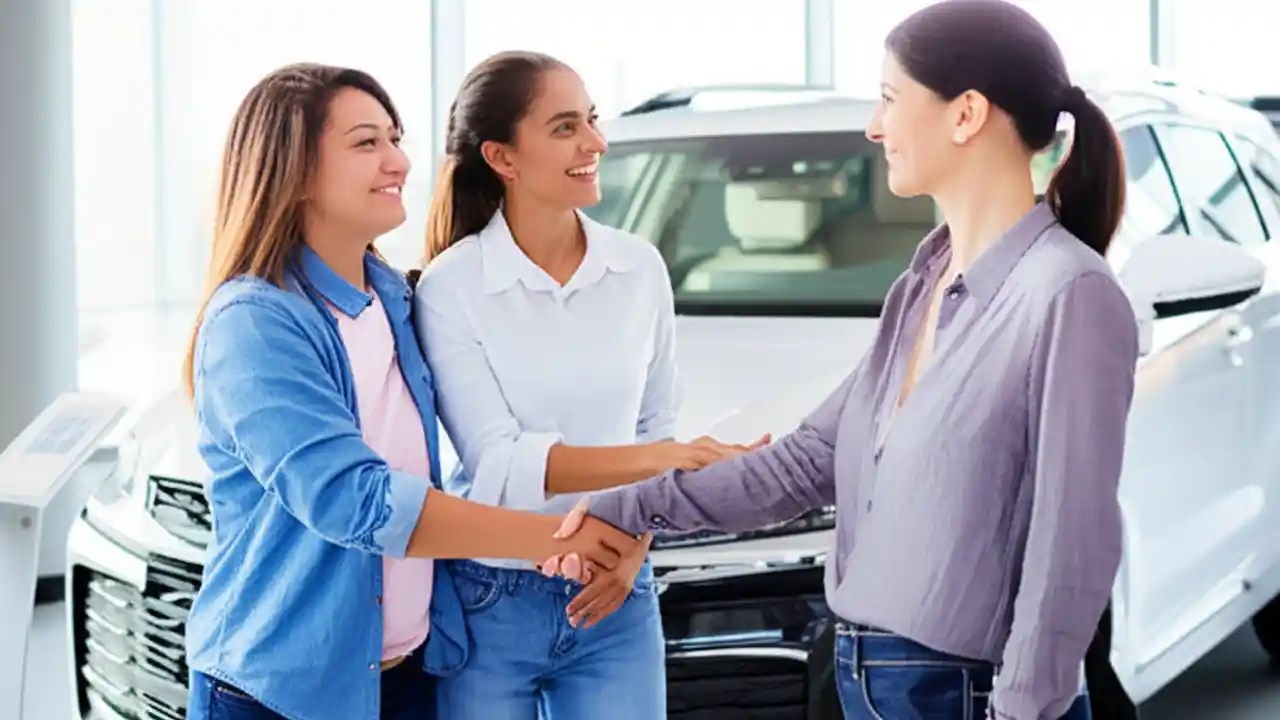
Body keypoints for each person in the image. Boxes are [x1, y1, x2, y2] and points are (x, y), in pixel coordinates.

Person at [547, 2, 1138, 718]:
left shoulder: (1068, 292)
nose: (875, 125)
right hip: (870, 676)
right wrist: (630, 505)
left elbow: (1072, 539)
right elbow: (805, 461)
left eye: (890, 98)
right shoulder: (925, 283)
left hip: (965, 690)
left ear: (966, 114)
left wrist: (1022, 709)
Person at [181, 62, 638, 720]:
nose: (397, 160)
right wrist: (549, 538)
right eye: (366, 143)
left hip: (404, 675)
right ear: (294, 168)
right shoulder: (256, 320)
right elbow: (354, 498)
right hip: (282, 693)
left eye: (395, 138)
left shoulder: (395, 297)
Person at [413, 51, 762, 720]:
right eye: (566, 126)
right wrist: (669, 460)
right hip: (492, 598)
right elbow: (499, 460)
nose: (595, 143)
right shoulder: (452, 286)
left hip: (617, 593)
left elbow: (653, 422)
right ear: (503, 157)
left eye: (593, 121)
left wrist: (632, 549)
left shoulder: (638, 268)